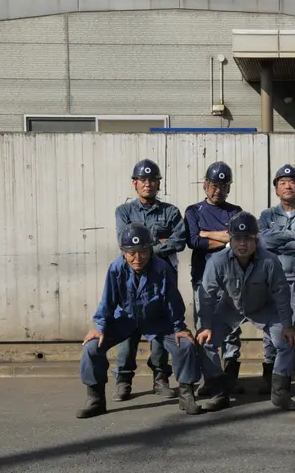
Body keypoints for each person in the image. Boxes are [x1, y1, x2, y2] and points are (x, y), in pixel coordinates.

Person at [76, 223, 202, 419]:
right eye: (131, 252)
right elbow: (107, 301)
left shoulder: (162, 269)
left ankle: (187, 395)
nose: (137, 257)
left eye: (142, 251)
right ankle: (95, 399)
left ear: (150, 250)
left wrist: (179, 327)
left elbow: (172, 301)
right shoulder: (116, 269)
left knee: (184, 345)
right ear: (123, 253)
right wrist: (100, 327)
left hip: (157, 320)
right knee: (92, 347)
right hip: (124, 320)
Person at [196, 212, 295, 411]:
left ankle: (279, 392)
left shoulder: (270, 261)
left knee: (287, 342)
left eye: (248, 238)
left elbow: (281, 295)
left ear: (256, 239)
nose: (242, 244)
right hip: (229, 308)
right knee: (206, 342)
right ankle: (220, 392)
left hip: (264, 308)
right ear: (230, 238)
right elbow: (206, 295)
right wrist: (206, 325)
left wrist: (287, 325)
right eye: (237, 238)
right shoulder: (217, 261)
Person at [112, 159, 187, 402]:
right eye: (142, 180)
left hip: (162, 278)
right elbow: (125, 241)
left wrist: (146, 249)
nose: (147, 184)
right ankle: (123, 380)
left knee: (161, 329)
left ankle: (160, 378)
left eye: (152, 180)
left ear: (158, 184)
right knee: (128, 328)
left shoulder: (171, 212)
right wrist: (159, 244)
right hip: (131, 279)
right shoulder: (123, 212)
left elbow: (179, 240)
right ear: (134, 183)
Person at [184, 161, 244, 396]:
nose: (217, 190)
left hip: (230, 279)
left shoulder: (235, 211)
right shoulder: (193, 211)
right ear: (204, 185)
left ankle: (230, 376)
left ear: (228, 187)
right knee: (205, 327)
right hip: (202, 279)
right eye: (213, 185)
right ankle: (211, 377)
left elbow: (238, 239)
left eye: (223, 185)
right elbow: (193, 241)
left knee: (231, 329)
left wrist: (207, 233)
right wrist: (224, 239)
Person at [258, 164, 295, 395]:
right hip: (273, 280)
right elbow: (264, 242)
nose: (287, 186)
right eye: (282, 182)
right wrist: (293, 235)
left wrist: (279, 241)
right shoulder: (267, 215)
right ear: (276, 188)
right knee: (272, 330)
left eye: (292, 182)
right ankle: (271, 376)